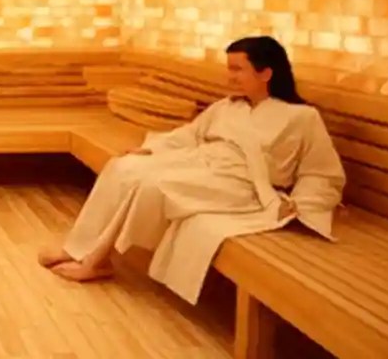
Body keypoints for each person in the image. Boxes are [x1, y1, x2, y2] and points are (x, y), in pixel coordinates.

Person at [38, 36, 346, 303]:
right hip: (204, 165)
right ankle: (77, 247)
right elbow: (192, 134)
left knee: (151, 185)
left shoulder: (302, 118)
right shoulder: (229, 106)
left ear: (265, 72)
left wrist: (301, 206)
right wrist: (152, 148)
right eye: (229, 69)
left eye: (237, 69)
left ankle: (97, 260)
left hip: (242, 184)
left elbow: (322, 171)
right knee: (124, 166)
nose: (230, 77)